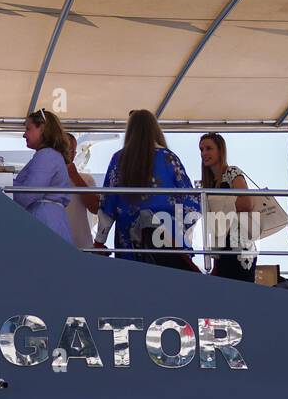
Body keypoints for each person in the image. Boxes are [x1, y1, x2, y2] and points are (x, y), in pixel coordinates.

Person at [93, 109, 200, 271]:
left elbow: (108, 202)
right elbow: (192, 203)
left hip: (129, 243)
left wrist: (99, 241)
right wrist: (182, 237)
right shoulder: (169, 159)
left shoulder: (119, 159)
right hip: (167, 242)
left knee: (135, 290)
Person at [198, 132, 258, 282]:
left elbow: (247, 203)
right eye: (201, 149)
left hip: (239, 244)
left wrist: (218, 203)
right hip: (222, 246)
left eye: (208, 148)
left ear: (220, 150)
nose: (204, 153)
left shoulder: (232, 172)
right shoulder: (209, 184)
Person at [10, 109, 75, 243]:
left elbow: (28, 195)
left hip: (45, 221)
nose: (24, 134)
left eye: (28, 129)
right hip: (50, 220)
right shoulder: (50, 155)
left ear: (42, 129)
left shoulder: (46, 155)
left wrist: (1, 184)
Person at [63, 135, 97, 249]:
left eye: (71, 150)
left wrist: (75, 177)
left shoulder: (86, 179)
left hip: (82, 246)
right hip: (53, 246)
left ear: (74, 154)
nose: (67, 153)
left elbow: (95, 208)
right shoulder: (45, 178)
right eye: (63, 148)